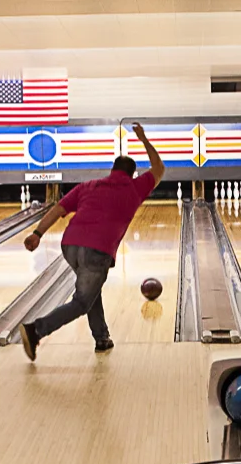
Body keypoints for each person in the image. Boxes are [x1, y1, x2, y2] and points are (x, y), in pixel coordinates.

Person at [18, 122, 165, 358]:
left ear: (112, 170)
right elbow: (159, 168)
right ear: (132, 174)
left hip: (70, 246)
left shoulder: (88, 186)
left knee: (91, 290)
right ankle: (36, 330)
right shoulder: (135, 188)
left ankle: (102, 338)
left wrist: (38, 234)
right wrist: (143, 138)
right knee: (81, 302)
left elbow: (58, 209)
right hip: (97, 251)